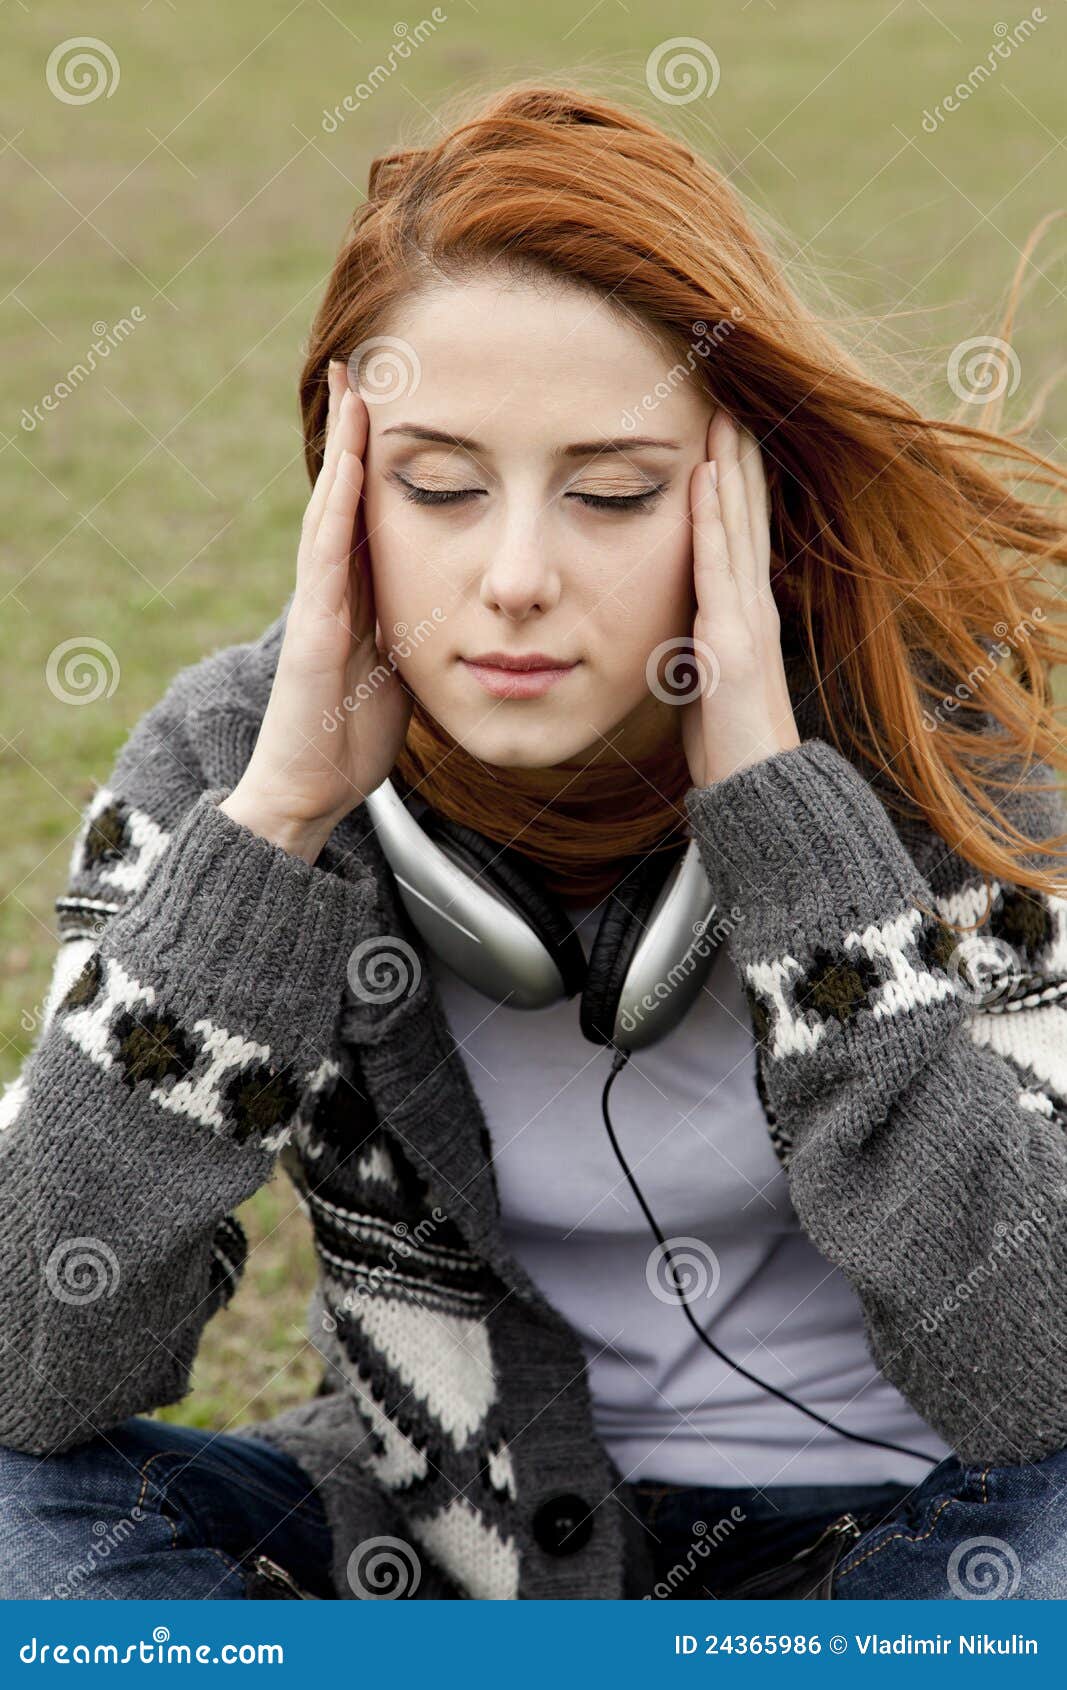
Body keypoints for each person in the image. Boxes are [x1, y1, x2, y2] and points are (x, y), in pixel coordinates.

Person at [1, 80, 1066, 1602]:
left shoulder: (939, 751)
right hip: (438, 1563)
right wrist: (270, 836)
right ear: (344, 490)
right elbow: (33, 1361)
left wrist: (796, 838)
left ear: (741, 495)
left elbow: (1039, 1366)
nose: (513, 576)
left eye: (612, 494)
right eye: (440, 486)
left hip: (909, 1563)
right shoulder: (230, 769)